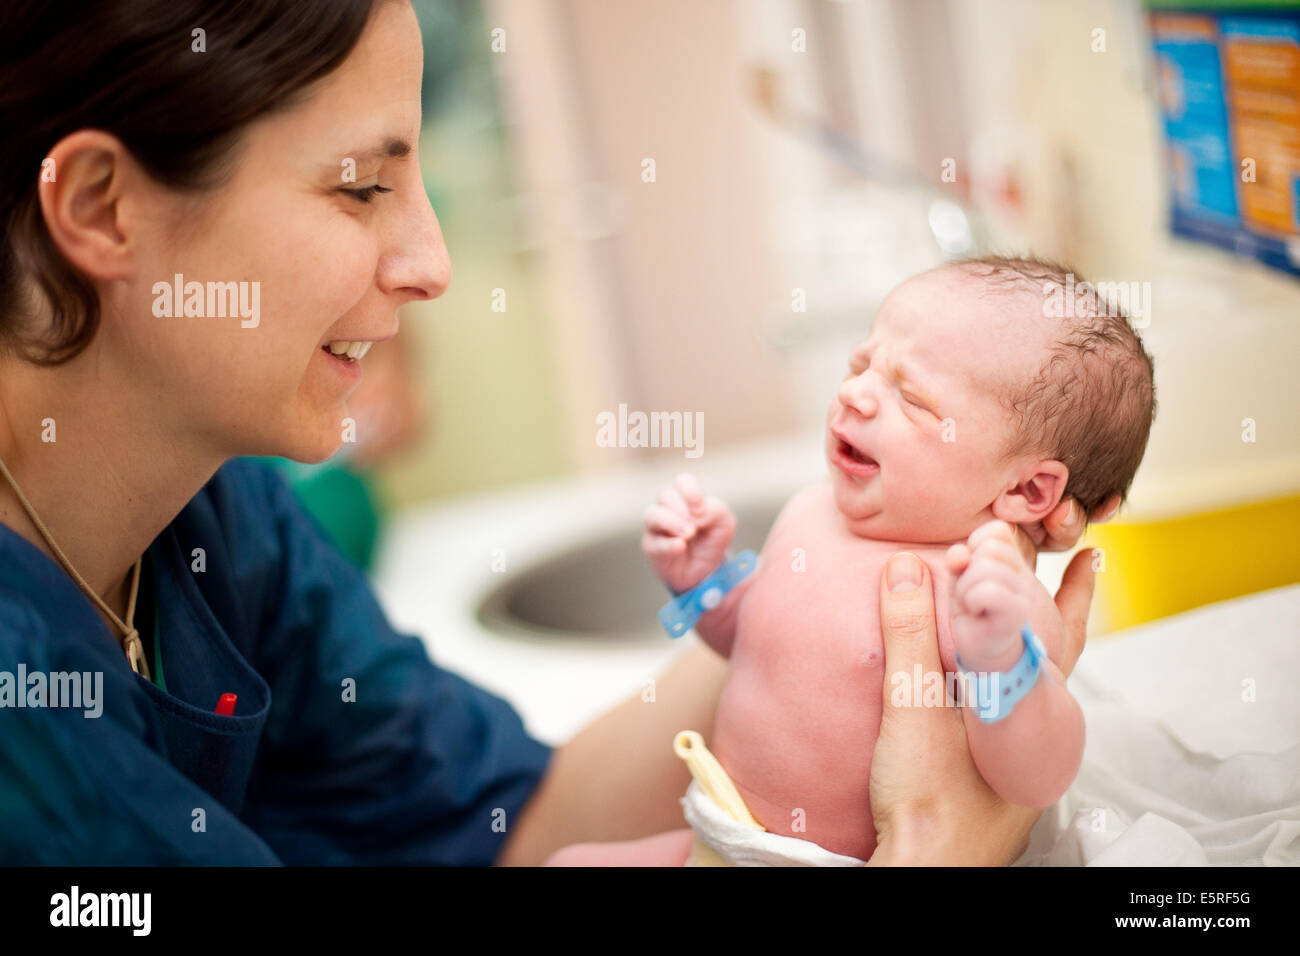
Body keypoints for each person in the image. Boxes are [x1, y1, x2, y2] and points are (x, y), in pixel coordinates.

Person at [0, 0, 1108, 866]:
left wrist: (821, 597)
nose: (430, 262)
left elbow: (510, 828)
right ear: (103, 207)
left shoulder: (214, 520)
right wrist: (934, 845)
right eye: (357, 187)